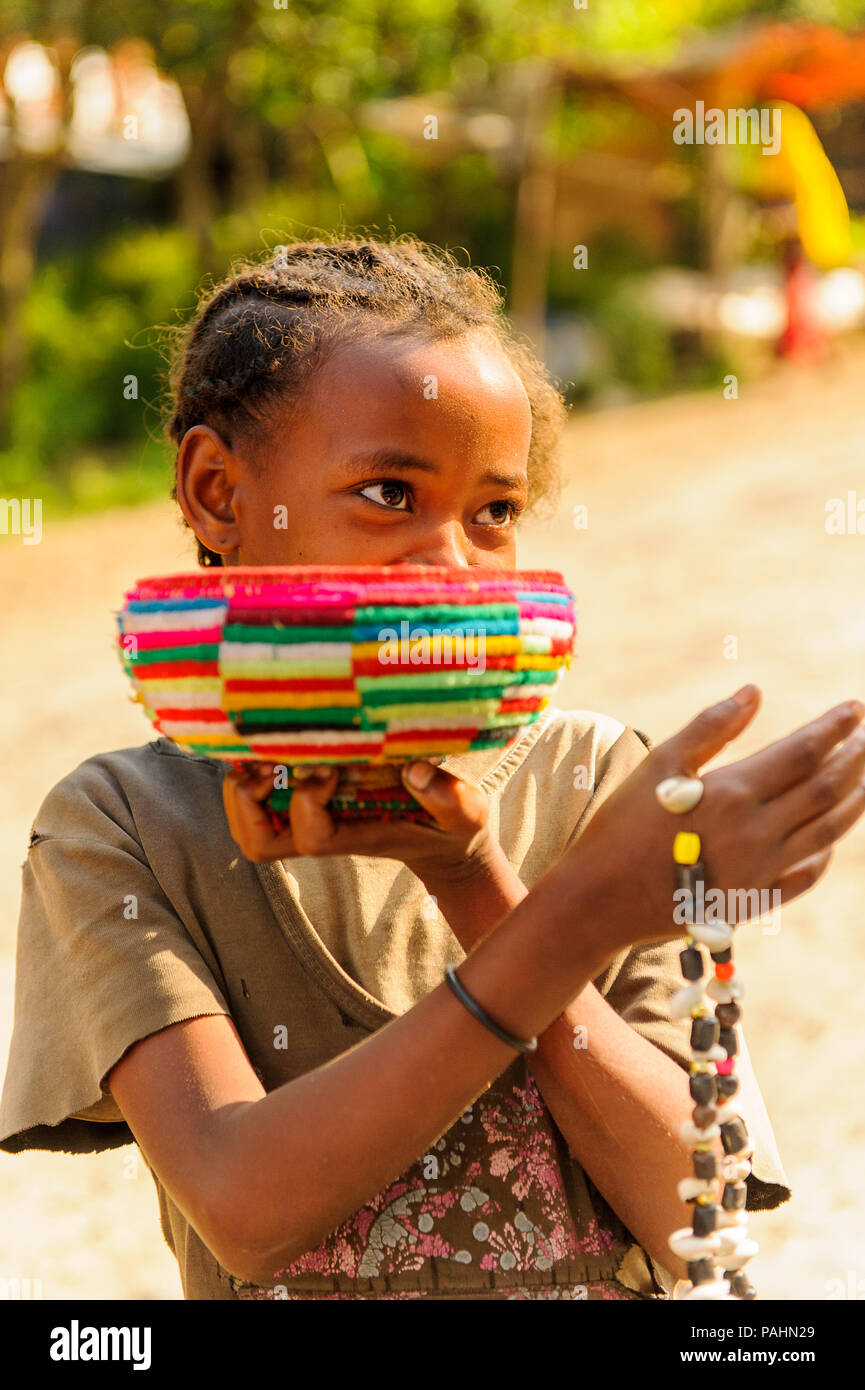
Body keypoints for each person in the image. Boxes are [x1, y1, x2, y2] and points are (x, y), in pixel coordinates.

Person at [2, 237, 864, 1302]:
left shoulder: (595, 782)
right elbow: (247, 1208)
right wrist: (576, 919)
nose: (450, 562)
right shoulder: (125, 826)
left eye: (492, 511)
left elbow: (698, 1217)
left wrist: (473, 878)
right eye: (387, 492)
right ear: (218, 490)